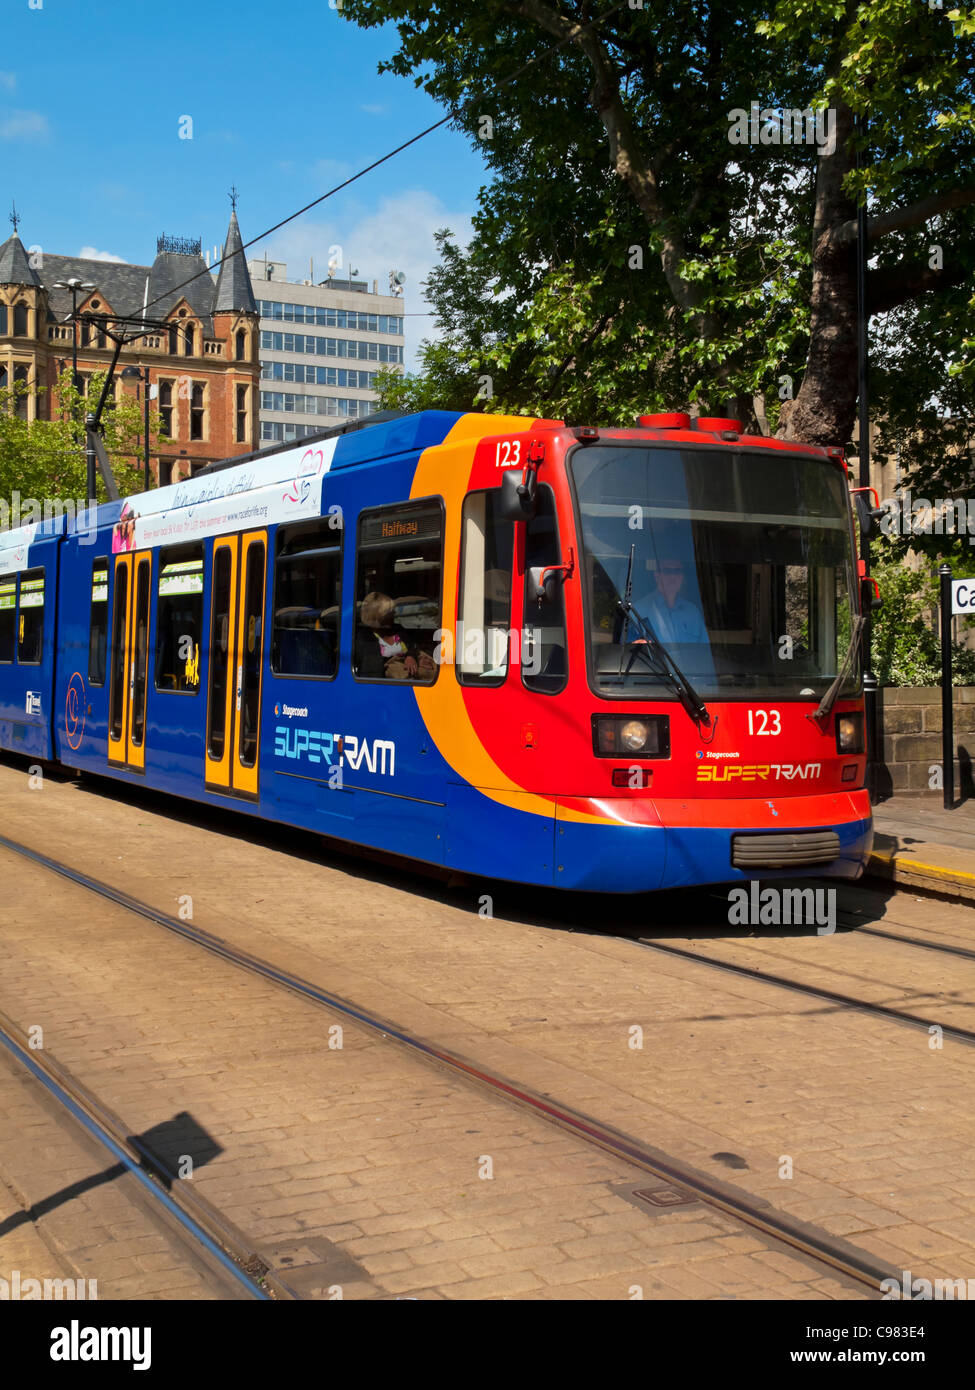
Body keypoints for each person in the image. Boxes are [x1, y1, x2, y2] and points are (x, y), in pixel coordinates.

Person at [359, 591, 435, 681]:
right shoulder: (365, 638)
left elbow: (412, 646)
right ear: (379, 617)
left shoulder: (398, 629)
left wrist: (411, 657)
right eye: (389, 612)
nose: (394, 614)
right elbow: (372, 668)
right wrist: (402, 661)